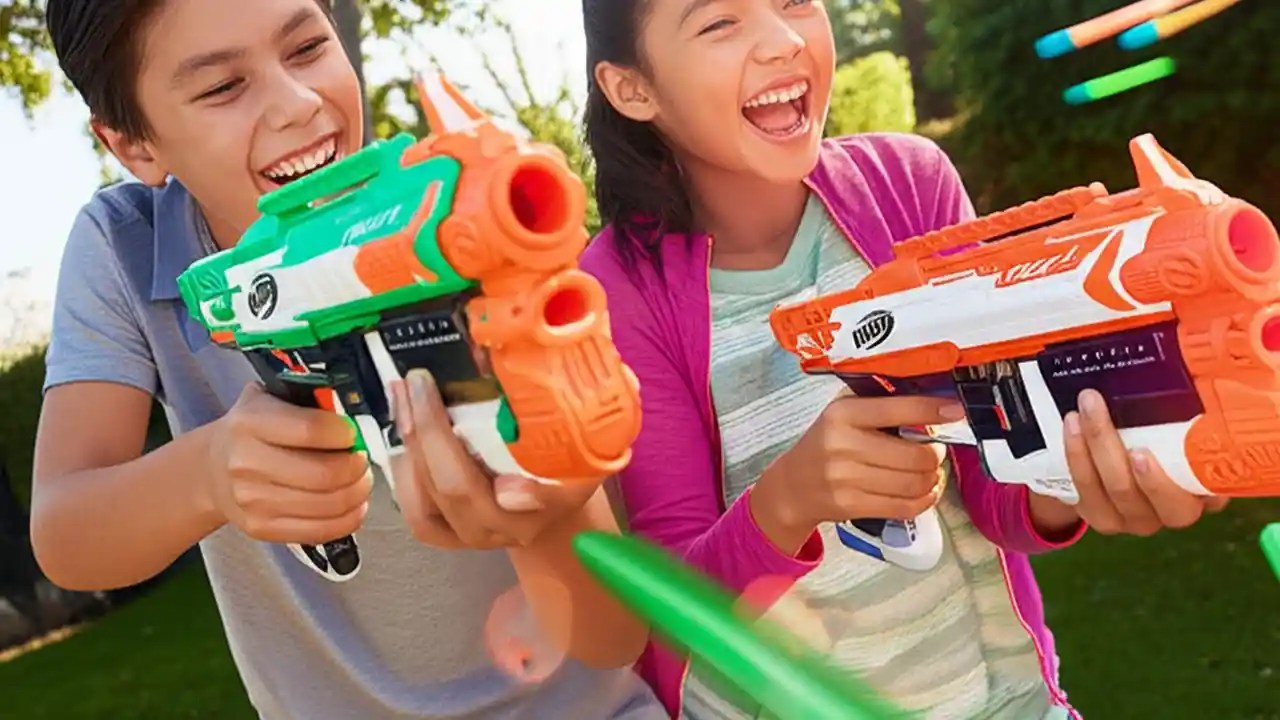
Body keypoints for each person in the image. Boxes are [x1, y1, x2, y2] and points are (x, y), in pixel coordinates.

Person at [577, 1, 1229, 718]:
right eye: (719, 23)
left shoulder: (909, 185)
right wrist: (786, 503)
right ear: (633, 88)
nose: (784, 40)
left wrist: (1083, 473)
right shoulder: (617, 291)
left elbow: (993, 486)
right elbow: (673, 625)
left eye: (795, 0)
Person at [32, 1, 663, 718]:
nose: (298, 104)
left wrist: (548, 519)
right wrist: (210, 474)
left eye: (305, 48)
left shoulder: (439, 224)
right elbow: (66, 536)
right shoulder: (125, 245)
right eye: (222, 88)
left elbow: (611, 637)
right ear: (134, 147)